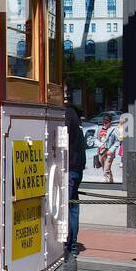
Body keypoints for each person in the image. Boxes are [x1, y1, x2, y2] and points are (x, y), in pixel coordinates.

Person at [65, 101, 85, 254]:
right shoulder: (76, 115)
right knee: (73, 207)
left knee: (66, 207)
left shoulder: (66, 114)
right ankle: (71, 246)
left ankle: (68, 246)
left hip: (68, 168)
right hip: (76, 168)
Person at [101, 114, 127, 183]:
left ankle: (106, 182)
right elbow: (96, 138)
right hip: (101, 151)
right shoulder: (100, 128)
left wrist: (111, 150)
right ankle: (111, 181)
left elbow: (117, 141)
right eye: (104, 121)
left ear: (110, 122)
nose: (104, 122)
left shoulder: (114, 129)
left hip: (110, 152)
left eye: (106, 121)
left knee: (106, 169)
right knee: (105, 168)